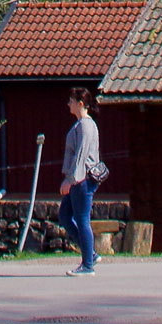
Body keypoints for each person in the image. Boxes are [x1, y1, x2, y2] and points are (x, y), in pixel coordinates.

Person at [58, 86, 107, 273]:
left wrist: (70, 180)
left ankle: (87, 265)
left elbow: (81, 155)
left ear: (80, 104)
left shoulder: (86, 125)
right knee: (64, 216)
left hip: (82, 179)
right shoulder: (79, 125)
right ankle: (91, 254)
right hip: (77, 179)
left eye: (71, 101)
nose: (68, 104)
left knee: (82, 219)